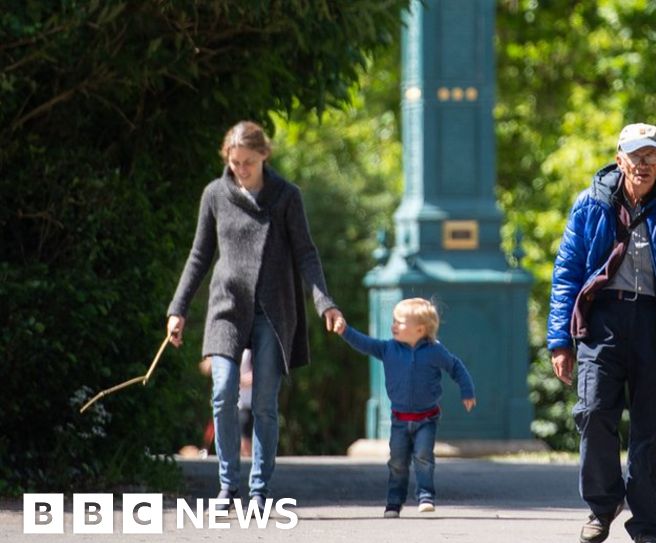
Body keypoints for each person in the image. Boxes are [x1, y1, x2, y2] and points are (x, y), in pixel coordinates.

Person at [547, 123, 656, 543]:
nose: (642, 165)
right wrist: (560, 341)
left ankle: (645, 525)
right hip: (602, 319)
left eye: (651, 157)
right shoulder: (590, 203)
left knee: (654, 426)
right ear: (619, 159)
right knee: (592, 410)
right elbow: (566, 274)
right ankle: (603, 506)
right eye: (635, 157)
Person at [166, 120, 345, 512]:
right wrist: (177, 309)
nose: (241, 170)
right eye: (234, 163)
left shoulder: (286, 197)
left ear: (264, 155)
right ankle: (228, 487)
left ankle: (259, 488)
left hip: (272, 308)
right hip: (227, 307)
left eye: (248, 162)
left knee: (264, 402)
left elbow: (306, 255)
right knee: (223, 392)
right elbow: (199, 257)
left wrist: (324, 303)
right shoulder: (215, 194)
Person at [336, 297, 476, 518]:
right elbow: (365, 343)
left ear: (420, 329)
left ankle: (426, 496)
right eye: (393, 320)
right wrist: (345, 331)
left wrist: (467, 391)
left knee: (423, 456)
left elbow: (455, 367)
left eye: (399, 322)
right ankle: (394, 501)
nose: (393, 325)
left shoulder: (434, 351)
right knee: (397, 462)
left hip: (427, 418)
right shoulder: (388, 348)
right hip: (399, 419)